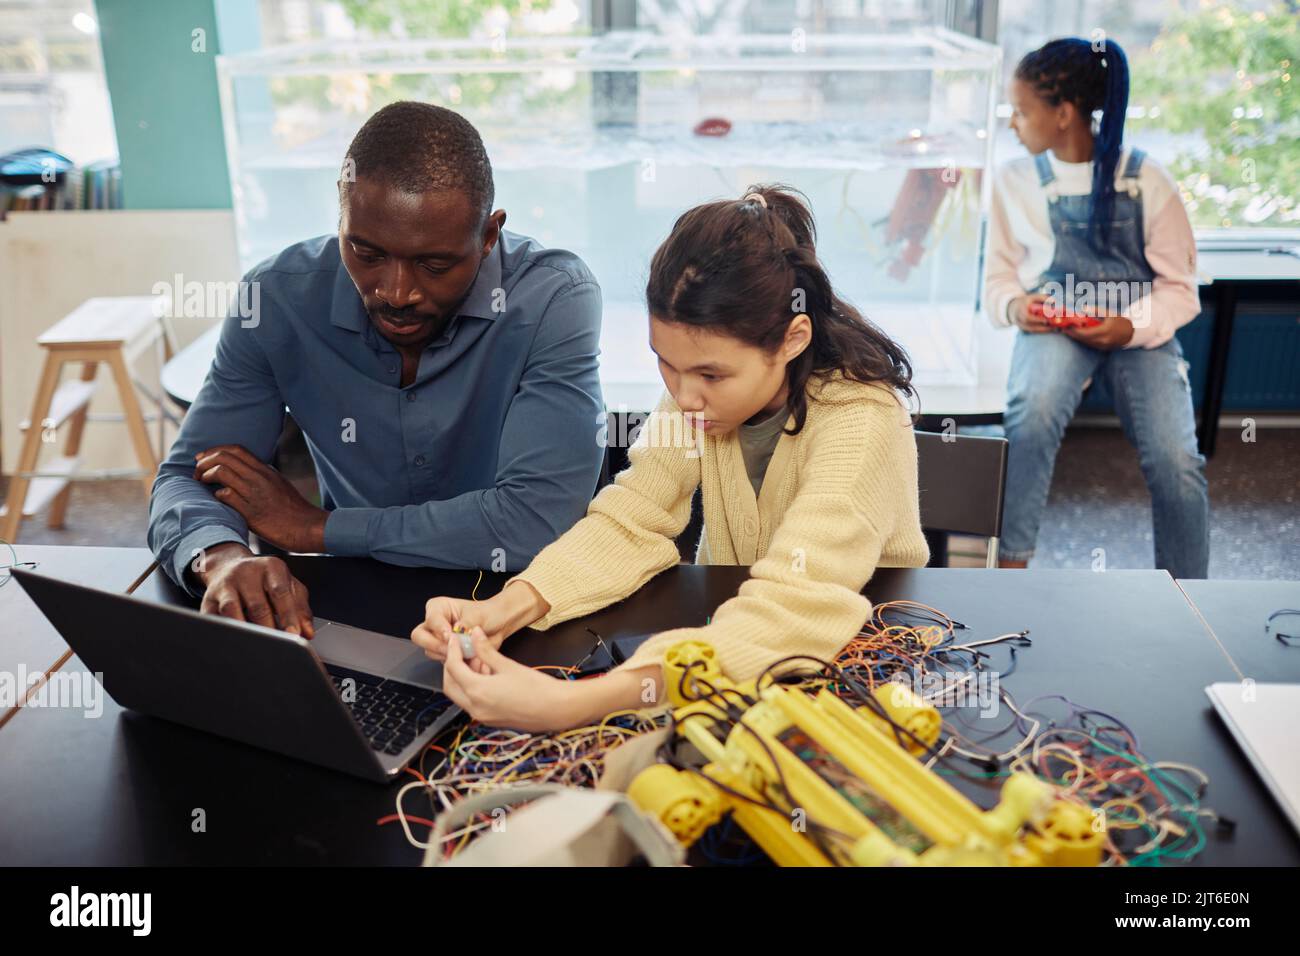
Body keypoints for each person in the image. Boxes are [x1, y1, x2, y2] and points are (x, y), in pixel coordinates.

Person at [411, 184, 930, 732]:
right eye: (667, 364)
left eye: (711, 374)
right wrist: (505, 607)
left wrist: (578, 702)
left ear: (793, 339)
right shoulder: (697, 399)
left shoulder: (862, 418)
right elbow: (635, 517)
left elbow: (795, 607)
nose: (683, 397)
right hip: (737, 658)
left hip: (867, 674)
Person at [147, 102, 605, 634]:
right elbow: (186, 477)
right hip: (351, 600)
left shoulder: (551, 298)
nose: (397, 292)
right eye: (366, 253)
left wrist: (318, 529)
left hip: (517, 605)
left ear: (488, 235)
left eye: (435, 265)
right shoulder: (275, 299)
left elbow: (534, 521)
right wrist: (223, 559)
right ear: (341, 222)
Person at [984, 38, 1208, 578]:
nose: (1013, 123)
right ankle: (1009, 570)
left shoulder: (1146, 178)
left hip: (1138, 329)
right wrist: (1018, 309)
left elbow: (1181, 289)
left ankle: (1190, 595)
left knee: (1178, 461)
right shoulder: (1013, 180)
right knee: (1031, 416)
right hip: (1056, 326)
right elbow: (997, 280)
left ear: (1062, 114)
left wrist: (1129, 327)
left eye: (1021, 110)